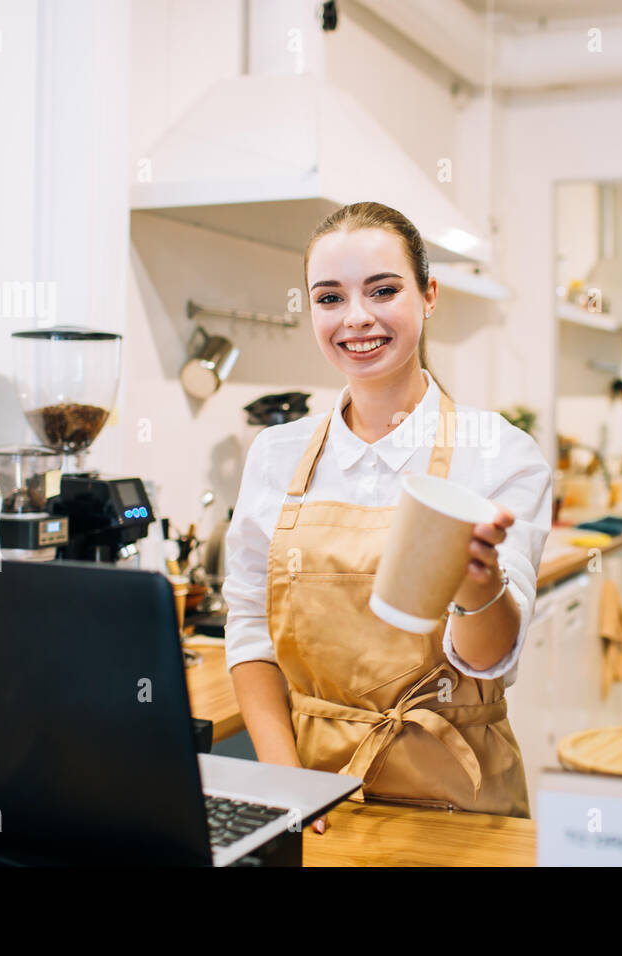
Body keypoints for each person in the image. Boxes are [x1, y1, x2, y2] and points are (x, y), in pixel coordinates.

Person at [222, 201, 552, 830]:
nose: (357, 319)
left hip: (461, 797)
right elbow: (249, 631)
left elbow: (491, 657)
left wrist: (478, 584)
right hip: (315, 797)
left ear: (429, 295)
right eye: (330, 298)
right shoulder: (276, 455)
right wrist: (283, 782)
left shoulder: (500, 453)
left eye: (383, 290)